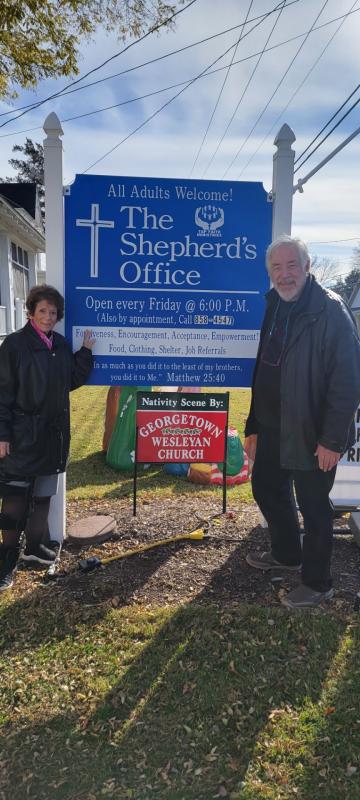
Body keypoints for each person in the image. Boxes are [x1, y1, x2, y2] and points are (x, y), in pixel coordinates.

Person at [244, 235, 360, 609]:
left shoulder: (330, 310)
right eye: (276, 268)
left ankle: (317, 582)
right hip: (273, 425)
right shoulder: (274, 303)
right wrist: (253, 425)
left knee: (314, 507)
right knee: (265, 487)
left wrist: (331, 439)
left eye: (291, 265)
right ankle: (287, 554)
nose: (284, 274)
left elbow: (347, 380)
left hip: (313, 432)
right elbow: (263, 367)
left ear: (308, 267)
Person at [0, 284, 95, 591]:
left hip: (52, 436)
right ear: (31, 313)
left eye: (53, 312)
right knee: (15, 497)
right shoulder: (14, 345)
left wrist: (86, 353)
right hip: (20, 436)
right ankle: (7, 558)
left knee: (43, 497)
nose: (48, 316)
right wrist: (2, 435)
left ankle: (34, 548)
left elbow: (70, 381)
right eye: (42, 311)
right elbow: (2, 394)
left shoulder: (62, 345)